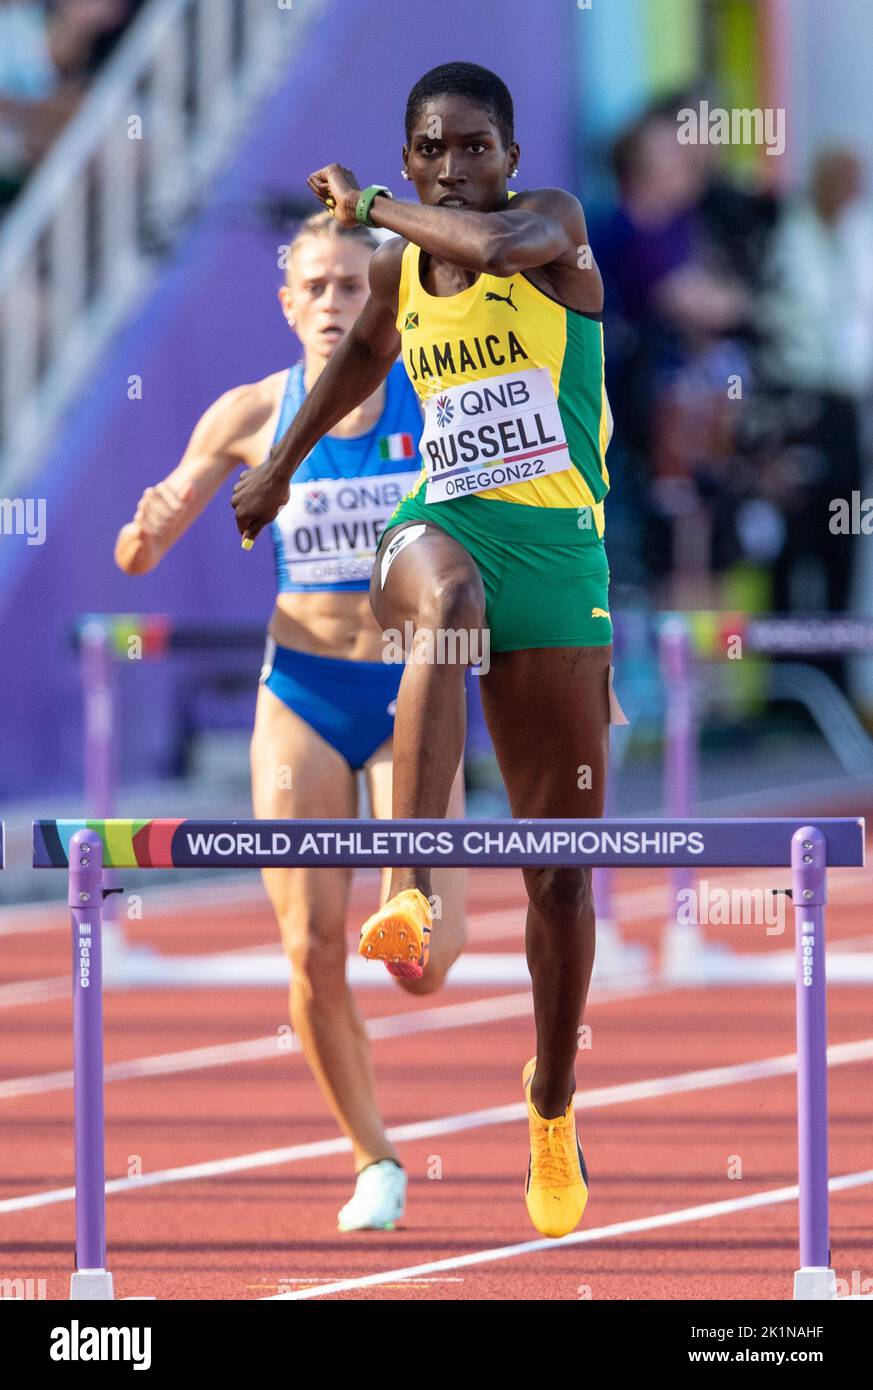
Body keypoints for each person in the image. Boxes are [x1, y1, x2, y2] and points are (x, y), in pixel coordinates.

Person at [231, 61, 620, 1239]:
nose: (457, 167)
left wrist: (370, 210)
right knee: (441, 600)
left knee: (556, 877)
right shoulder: (402, 261)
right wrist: (280, 464)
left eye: (476, 147)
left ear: (509, 152)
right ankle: (408, 888)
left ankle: (550, 1100)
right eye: (433, 150)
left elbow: (495, 251)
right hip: (443, 521)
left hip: (560, 551)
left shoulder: (552, 226)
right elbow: (357, 361)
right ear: (410, 159)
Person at [114, 211, 467, 1232]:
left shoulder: (432, 403)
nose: (331, 305)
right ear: (286, 303)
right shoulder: (250, 412)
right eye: (313, 288)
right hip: (304, 690)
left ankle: (421, 925)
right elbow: (160, 522)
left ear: (383, 301)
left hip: (418, 692)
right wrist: (144, 532)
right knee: (311, 949)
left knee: (422, 968)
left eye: (353, 288)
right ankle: (374, 1159)